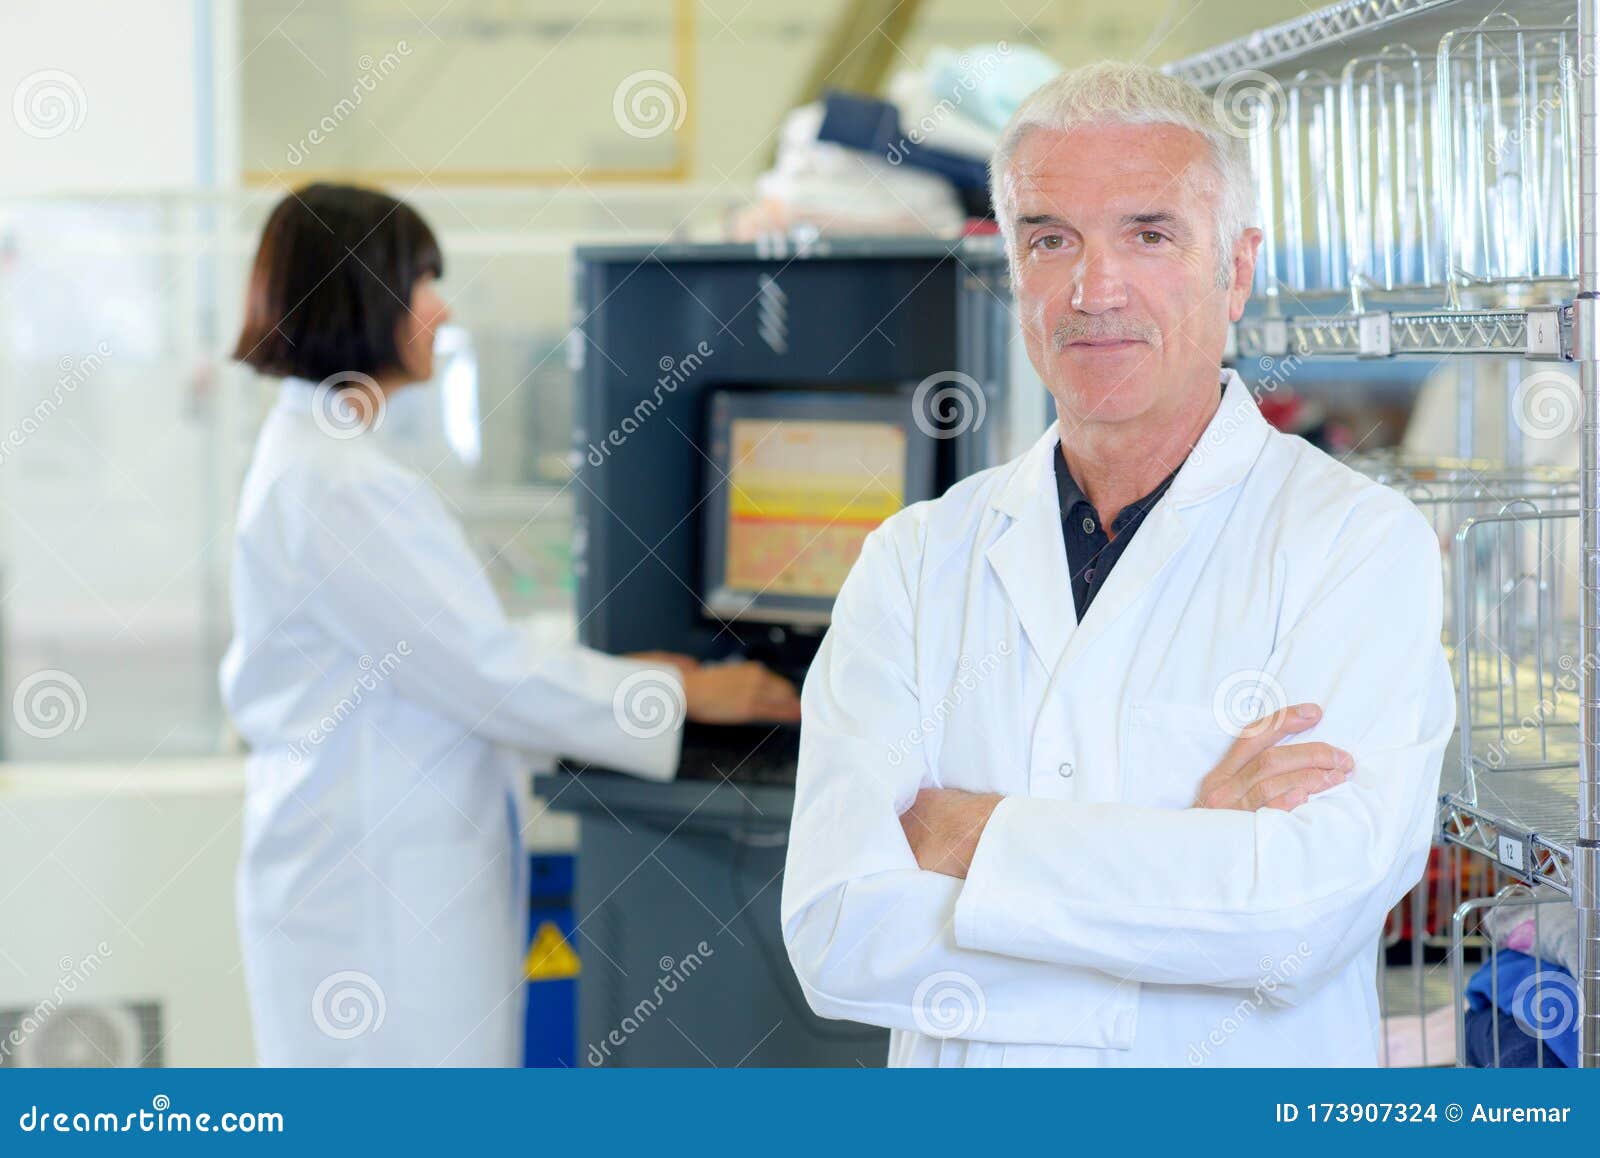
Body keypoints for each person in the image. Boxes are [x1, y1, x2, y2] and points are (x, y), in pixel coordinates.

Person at [781, 62, 1454, 1066]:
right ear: (1011, 266)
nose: (1094, 291)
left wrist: (970, 836)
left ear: (1236, 270)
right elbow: (837, 935)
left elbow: (1294, 925)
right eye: (1051, 240)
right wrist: (1191, 856)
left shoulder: (1354, 544)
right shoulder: (918, 558)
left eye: (1149, 234)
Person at [222, 183, 800, 1067]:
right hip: (376, 905)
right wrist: (684, 692)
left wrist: (632, 679)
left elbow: (450, 659)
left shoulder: (321, 459)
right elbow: (483, 674)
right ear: (358, 296)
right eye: (420, 280)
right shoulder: (341, 484)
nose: (439, 307)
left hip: (365, 872)